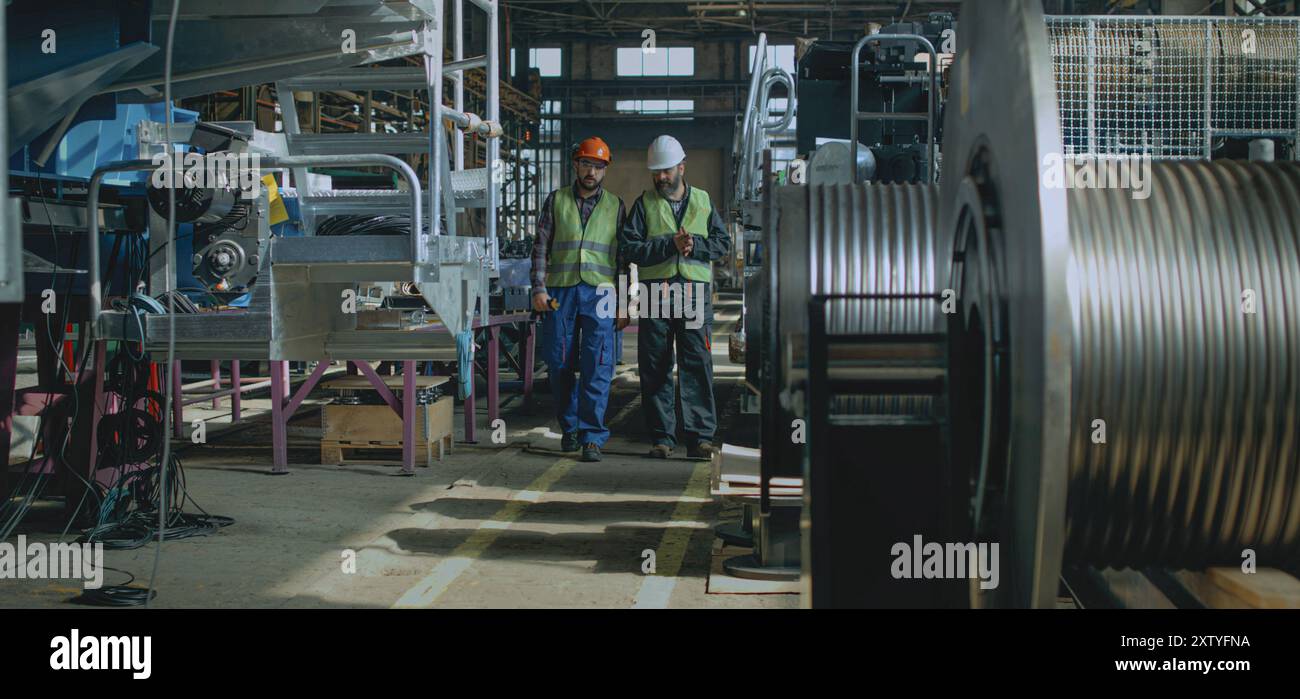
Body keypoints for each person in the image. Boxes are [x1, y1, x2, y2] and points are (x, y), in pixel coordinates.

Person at [619, 135, 731, 460]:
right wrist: (669, 245)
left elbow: (722, 243)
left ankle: (700, 439)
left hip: (693, 294)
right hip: (655, 293)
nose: (661, 178)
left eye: (666, 171)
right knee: (655, 366)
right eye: (656, 172)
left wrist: (695, 245)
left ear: (682, 167)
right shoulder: (644, 204)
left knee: (696, 363)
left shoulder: (703, 201)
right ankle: (662, 438)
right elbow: (630, 248)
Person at [531, 137, 627, 462]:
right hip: (559, 293)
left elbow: (624, 258)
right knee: (558, 361)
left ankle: (592, 437)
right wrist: (538, 288)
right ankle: (569, 427)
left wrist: (626, 301)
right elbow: (541, 245)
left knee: (598, 363)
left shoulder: (616, 206)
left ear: (605, 170)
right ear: (576, 164)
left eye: (598, 166)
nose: (592, 171)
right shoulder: (556, 200)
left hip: (601, 294)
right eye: (586, 163)